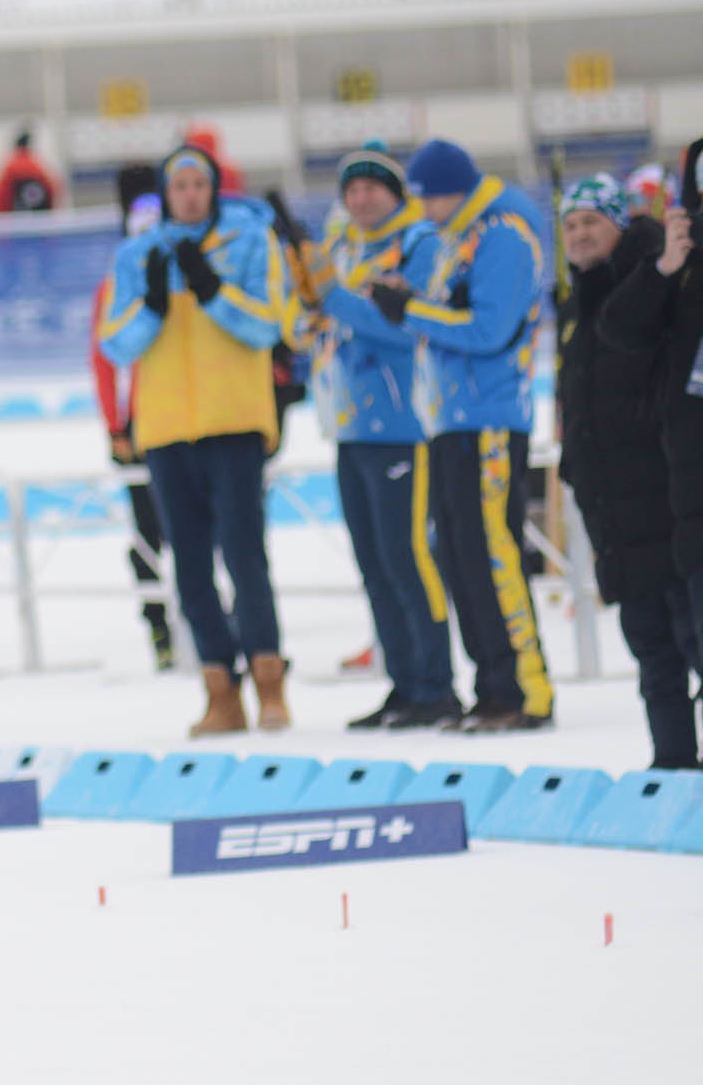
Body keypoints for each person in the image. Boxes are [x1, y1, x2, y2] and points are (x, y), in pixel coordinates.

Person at [356, 138, 554, 732]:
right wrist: (409, 301)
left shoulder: (502, 234)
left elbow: (491, 330)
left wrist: (409, 312)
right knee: (461, 556)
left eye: (427, 199)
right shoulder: (451, 240)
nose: (423, 211)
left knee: (493, 553)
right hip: (446, 418)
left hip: (490, 419)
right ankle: (490, 687)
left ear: (450, 192)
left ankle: (524, 689)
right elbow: (446, 315)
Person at [98, 143, 291, 736]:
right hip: (166, 428)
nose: (189, 195)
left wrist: (211, 291)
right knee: (190, 568)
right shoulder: (137, 253)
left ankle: (269, 684)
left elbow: (267, 326)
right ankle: (220, 691)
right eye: (178, 186)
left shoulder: (252, 241)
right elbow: (115, 344)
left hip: (233, 420)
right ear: (165, 193)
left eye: (198, 184)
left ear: (213, 189)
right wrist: (154, 306)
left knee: (243, 553)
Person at [309, 142, 459, 730]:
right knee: (374, 561)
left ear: (396, 193)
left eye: (372, 186)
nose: (360, 196)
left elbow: (407, 327)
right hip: (349, 426)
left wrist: (333, 299)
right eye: (351, 188)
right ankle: (403, 684)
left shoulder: (418, 243)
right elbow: (325, 320)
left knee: (408, 556)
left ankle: (437, 685)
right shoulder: (343, 248)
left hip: (404, 425)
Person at [554, 175, 697, 768]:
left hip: (668, 503)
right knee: (652, 653)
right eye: (570, 225)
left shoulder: (661, 274)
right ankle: (672, 766)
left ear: (620, 223)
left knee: (691, 642)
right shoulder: (576, 301)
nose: (580, 235)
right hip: (616, 511)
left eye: (592, 221)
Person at [597, 139, 703, 754]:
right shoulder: (676, 266)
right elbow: (621, 330)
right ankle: (676, 765)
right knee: (673, 645)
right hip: (685, 494)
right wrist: (667, 265)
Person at [92, 162, 174, 670]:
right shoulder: (116, 280)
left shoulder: (185, 266)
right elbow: (103, 362)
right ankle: (161, 627)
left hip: (189, 421)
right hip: (141, 429)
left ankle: (204, 622)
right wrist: (116, 427)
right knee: (148, 536)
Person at [0, 128, 61, 214]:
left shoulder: (9, 167)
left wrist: (2, 218)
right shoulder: (37, 167)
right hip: (39, 218)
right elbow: (52, 188)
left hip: (13, 219)